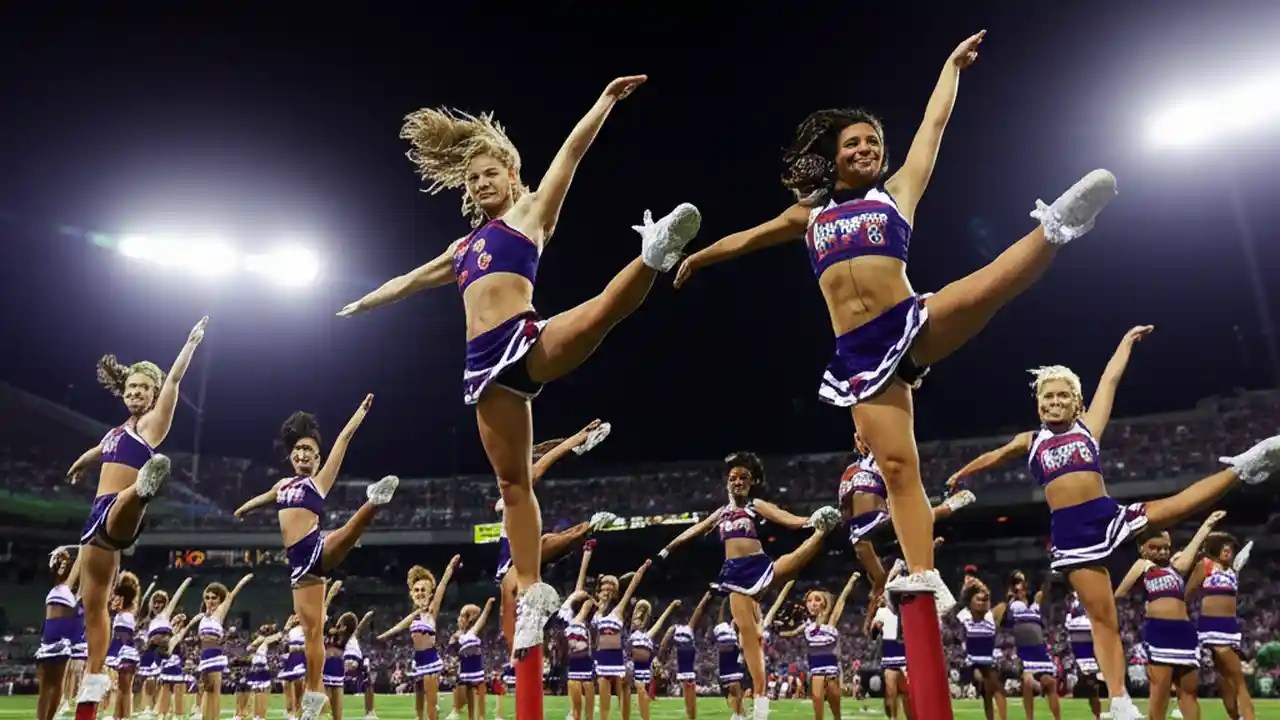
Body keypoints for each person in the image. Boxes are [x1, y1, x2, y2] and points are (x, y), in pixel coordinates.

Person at [674, 30, 1119, 602]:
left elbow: (932, 128)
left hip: (909, 320)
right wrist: (701, 257)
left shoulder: (896, 193)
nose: (867, 150)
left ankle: (1056, 226)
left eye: (874, 142)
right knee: (897, 467)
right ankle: (922, 571)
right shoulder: (806, 215)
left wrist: (951, 68)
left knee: (983, 289)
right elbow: (746, 239)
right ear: (833, 155)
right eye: (854, 143)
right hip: (859, 355)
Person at [336, 75, 703, 653]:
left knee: (603, 313)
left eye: (492, 173)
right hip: (483, 371)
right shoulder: (461, 250)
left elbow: (571, 154)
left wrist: (603, 100)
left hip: (526, 339)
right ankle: (531, 596)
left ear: (512, 176)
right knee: (512, 484)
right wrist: (365, 302)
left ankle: (654, 253)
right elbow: (408, 280)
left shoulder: (530, 214)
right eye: (474, 177)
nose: (483, 182)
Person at [947, 325, 1280, 720]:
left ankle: (1244, 468)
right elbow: (997, 455)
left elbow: (1110, 379)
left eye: (1062, 396)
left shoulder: (1089, 428)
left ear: (1076, 402)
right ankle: (1120, 701)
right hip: (1071, 535)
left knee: (1172, 508)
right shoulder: (1030, 440)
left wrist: (1124, 344)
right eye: (1047, 396)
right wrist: (962, 473)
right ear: (1038, 403)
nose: (1054, 402)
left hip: (1105, 514)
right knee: (1103, 618)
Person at [66, 317, 208, 715]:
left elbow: (176, 381)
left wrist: (190, 344)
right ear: (124, 392)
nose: (136, 394)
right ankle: (94, 680)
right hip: (96, 514)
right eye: (131, 388)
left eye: (144, 388)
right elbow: (100, 451)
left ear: (153, 393)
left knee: (124, 509)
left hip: (120, 508)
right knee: (93, 605)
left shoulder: (150, 425)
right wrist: (80, 464)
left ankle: (144, 488)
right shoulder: (116, 431)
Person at [233, 399, 399, 720]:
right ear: (291, 455)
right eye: (298, 449)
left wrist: (360, 412)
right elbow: (264, 499)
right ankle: (314, 693)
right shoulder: (282, 485)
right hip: (297, 568)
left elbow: (343, 440)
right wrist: (243, 509)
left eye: (309, 449)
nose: (303, 453)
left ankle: (373, 502)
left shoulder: (317, 482)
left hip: (316, 547)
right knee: (312, 633)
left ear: (317, 457)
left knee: (348, 532)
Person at [656, 452, 841, 720]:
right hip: (735, 576)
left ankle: (823, 528)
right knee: (750, 638)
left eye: (743, 477)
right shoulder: (721, 513)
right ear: (727, 483)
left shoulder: (755, 505)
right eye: (733, 478)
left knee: (794, 560)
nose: (738, 482)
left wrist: (808, 521)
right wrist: (668, 548)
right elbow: (695, 530)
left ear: (752, 481)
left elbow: (784, 517)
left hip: (759, 565)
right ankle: (760, 700)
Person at [840, 434, 974, 613]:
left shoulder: (886, 457)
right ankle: (907, 574)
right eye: (859, 438)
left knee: (908, 522)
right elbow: (845, 506)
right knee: (881, 581)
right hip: (860, 533)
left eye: (866, 437)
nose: (863, 441)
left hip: (880, 522)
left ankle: (945, 510)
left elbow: (904, 499)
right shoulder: (851, 470)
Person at [1116, 511, 1226, 720]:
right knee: (1160, 692)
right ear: (1142, 548)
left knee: (1189, 691)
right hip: (1159, 630)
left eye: (1166, 548)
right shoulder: (1143, 566)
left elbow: (1192, 549)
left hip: (1184, 631)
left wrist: (1207, 524)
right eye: (1155, 548)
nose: (1161, 552)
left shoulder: (1175, 568)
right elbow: (1120, 593)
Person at [378, 557, 461, 720]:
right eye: (416, 590)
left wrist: (450, 567)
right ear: (411, 593)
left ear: (429, 593)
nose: (420, 593)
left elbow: (442, 585)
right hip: (417, 662)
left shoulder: (431, 611)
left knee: (430, 704)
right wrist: (383, 636)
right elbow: (400, 626)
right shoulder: (414, 616)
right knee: (418, 707)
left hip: (430, 660)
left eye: (423, 590)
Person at [1185, 529, 1256, 720]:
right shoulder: (1206, 565)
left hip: (1231, 628)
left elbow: (1243, 557)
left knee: (1226, 678)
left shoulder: (1233, 571)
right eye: (1224, 549)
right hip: (1211, 627)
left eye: (1230, 549)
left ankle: (1235, 717)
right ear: (1215, 549)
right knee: (1239, 679)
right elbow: (1188, 592)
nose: (1228, 552)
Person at [992, 572, 1059, 720]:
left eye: (1023, 585)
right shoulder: (1011, 606)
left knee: (1050, 684)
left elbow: (1043, 592)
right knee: (1027, 684)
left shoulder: (1034, 606)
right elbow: (997, 619)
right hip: (1024, 650)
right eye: (1017, 584)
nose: (1021, 588)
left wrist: (1049, 577)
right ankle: (1029, 717)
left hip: (1039, 650)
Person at [196, 574, 254, 720]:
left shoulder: (219, 614)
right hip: (204, 656)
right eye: (207, 597)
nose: (210, 601)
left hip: (215, 656)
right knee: (206, 690)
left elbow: (231, 595)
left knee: (214, 692)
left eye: (214, 597)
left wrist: (244, 579)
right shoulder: (202, 617)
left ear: (220, 599)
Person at [37, 547, 82, 720]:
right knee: (47, 685)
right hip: (49, 639)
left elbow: (79, 563)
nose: (62, 563)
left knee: (54, 684)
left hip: (59, 639)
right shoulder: (57, 589)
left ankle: (48, 718)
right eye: (60, 561)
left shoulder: (67, 589)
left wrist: (82, 548)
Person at [658, 592, 713, 720]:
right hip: (684, 667)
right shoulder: (677, 629)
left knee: (689, 694)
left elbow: (698, 610)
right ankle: (691, 716)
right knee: (689, 695)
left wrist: (706, 597)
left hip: (687, 667)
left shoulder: (686, 628)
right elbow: (664, 644)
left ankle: (691, 716)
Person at [956, 577, 1006, 720]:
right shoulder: (964, 616)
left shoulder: (990, 616)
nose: (982, 603)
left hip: (988, 661)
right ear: (970, 603)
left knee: (991, 694)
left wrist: (982, 588)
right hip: (971, 664)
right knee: (990, 686)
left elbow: (1002, 605)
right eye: (978, 600)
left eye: (984, 601)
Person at [628, 598, 681, 720]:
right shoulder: (631, 635)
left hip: (644, 671)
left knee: (642, 694)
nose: (638, 620)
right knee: (640, 692)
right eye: (636, 618)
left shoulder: (647, 634)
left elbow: (661, 620)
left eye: (641, 618)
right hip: (632, 669)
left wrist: (671, 606)